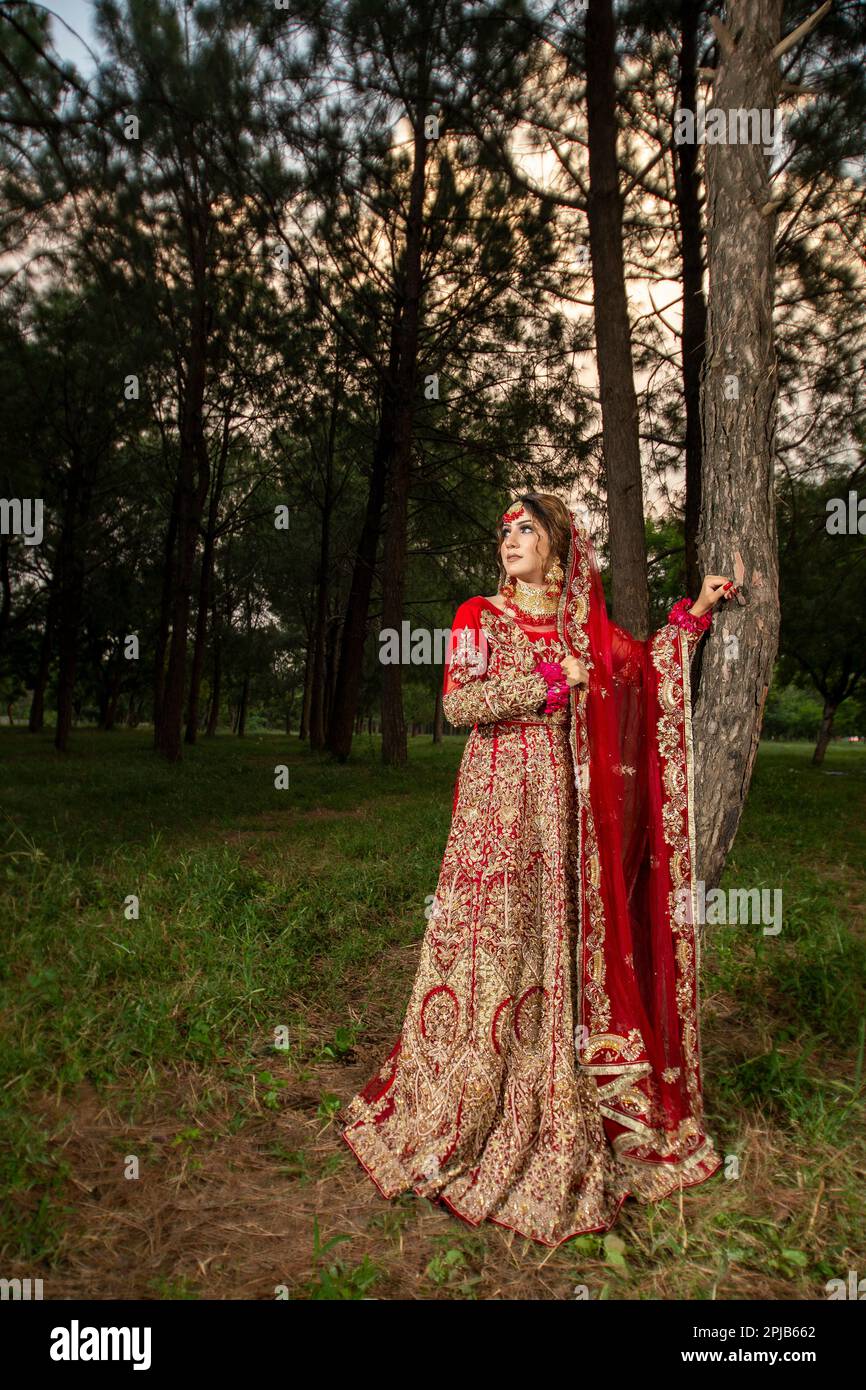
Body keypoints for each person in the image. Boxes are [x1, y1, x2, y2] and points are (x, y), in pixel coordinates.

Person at [340, 493, 737, 1247]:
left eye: (527, 528)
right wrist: (552, 686)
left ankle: (546, 1064)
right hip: (494, 807)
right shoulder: (477, 614)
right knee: (491, 938)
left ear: (559, 544)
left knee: (554, 938)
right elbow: (458, 704)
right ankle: (469, 1081)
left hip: (564, 813)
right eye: (504, 530)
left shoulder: (582, 624)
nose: (511, 540)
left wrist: (695, 617)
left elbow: (642, 672)